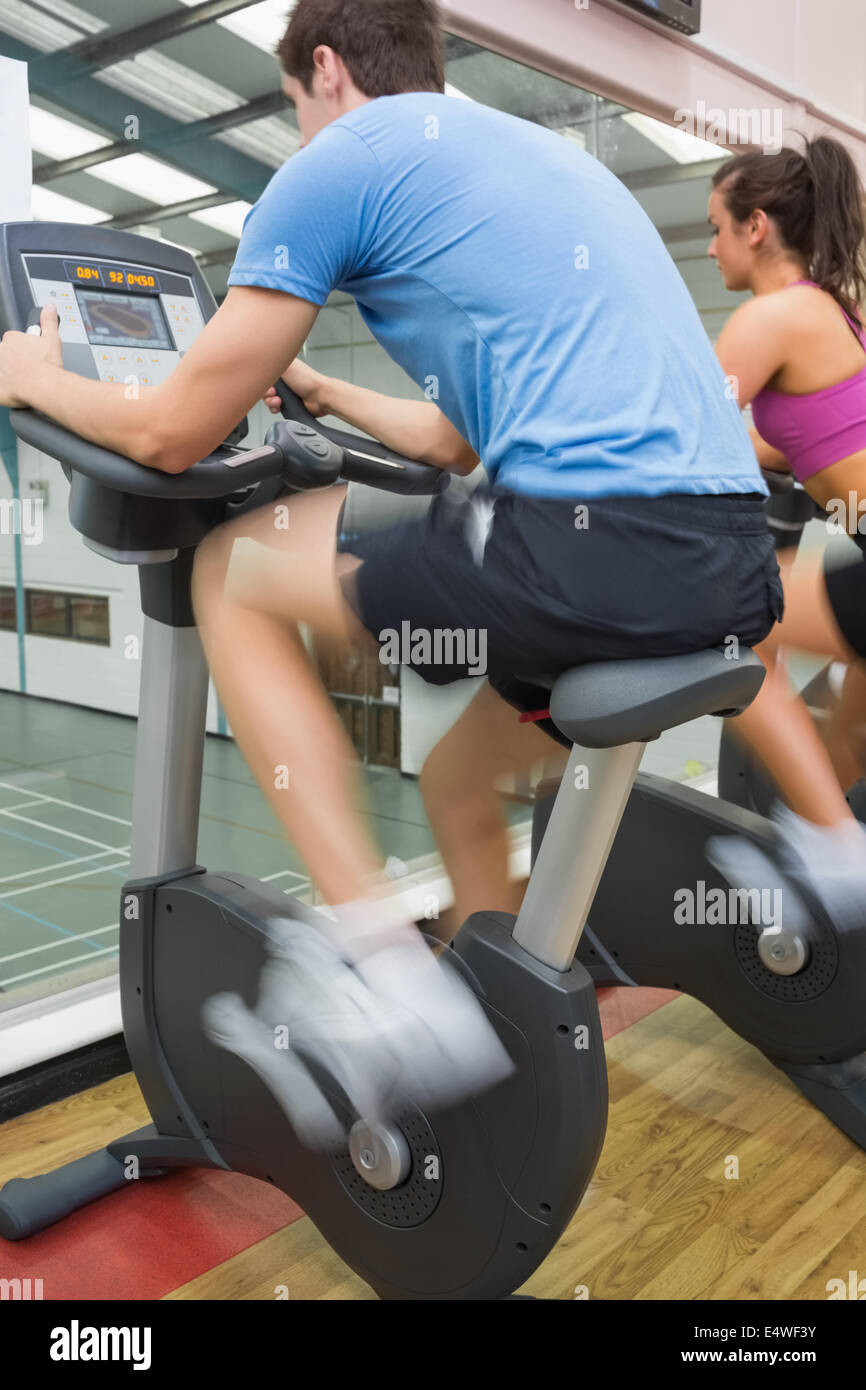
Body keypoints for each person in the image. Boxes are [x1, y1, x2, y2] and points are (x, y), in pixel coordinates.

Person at [0, 0, 786, 1143]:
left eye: (294, 113)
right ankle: (495, 1077)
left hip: (597, 545)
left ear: (325, 69)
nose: (299, 139)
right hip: (726, 567)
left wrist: (31, 375)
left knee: (230, 571)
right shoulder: (531, 162)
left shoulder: (347, 162)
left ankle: (371, 970)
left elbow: (170, 431)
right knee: (462, 778)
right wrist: (319, 390)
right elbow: (450, 444)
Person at [705, 137, 866, 916]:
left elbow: (680, 432)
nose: (710, 248)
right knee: (845, 738)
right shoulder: (834, 311)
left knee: (737, 641)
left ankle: (833, 853)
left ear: (757, 226)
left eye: (717, 229)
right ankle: (828, 856)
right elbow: (794, 439)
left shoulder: (772, 317)